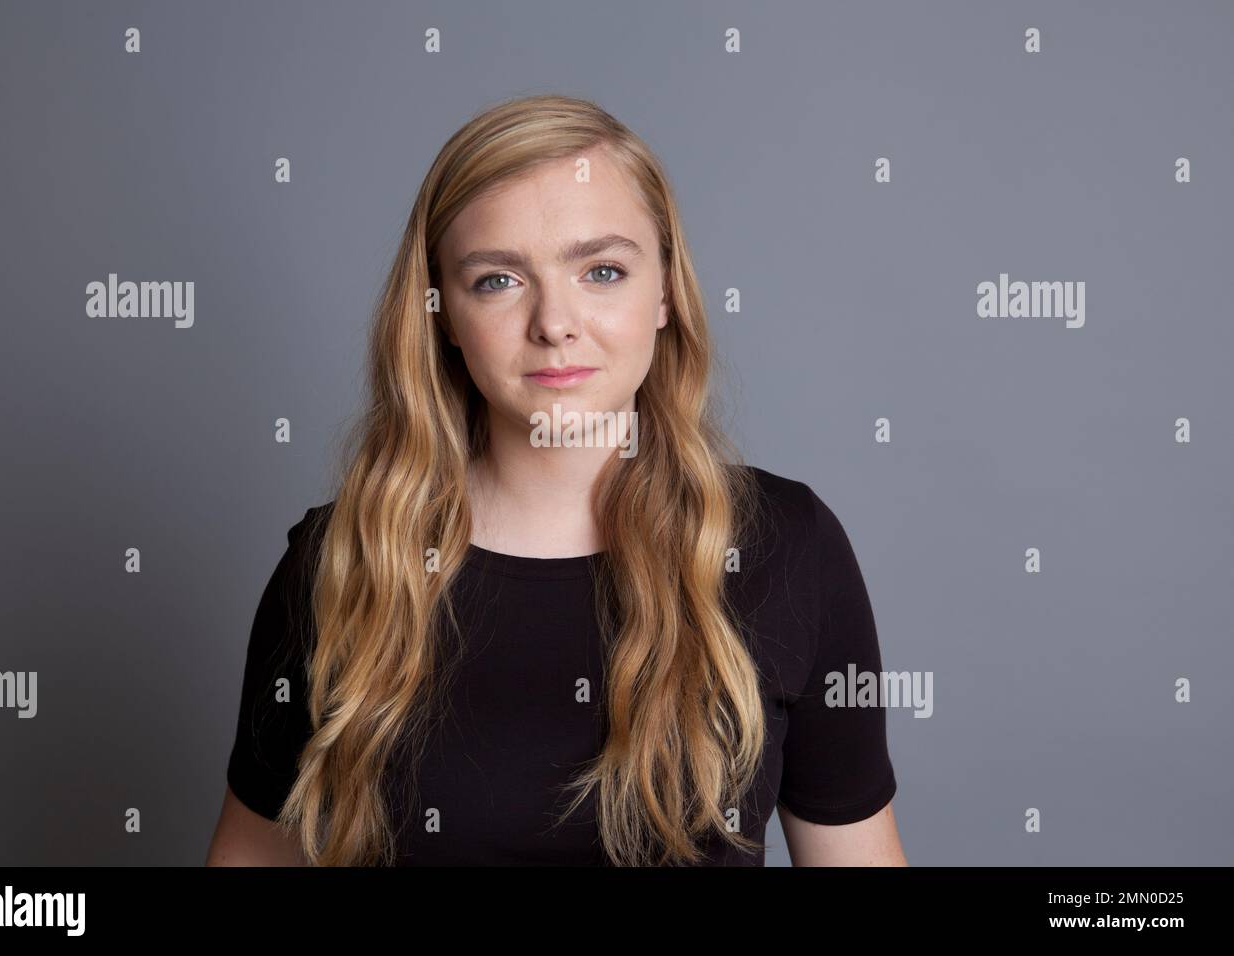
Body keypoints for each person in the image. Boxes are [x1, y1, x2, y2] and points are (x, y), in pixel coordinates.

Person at [206, 93, 907, 866]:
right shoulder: (344, 559)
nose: (554, 322)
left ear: (667, 290)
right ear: (441, 313)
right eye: (497, 281)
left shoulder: (786, 547)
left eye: (602, 270)